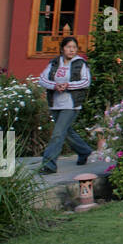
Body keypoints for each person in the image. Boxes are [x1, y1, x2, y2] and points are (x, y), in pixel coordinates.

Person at [38, 36, 94, 174]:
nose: (71, 50)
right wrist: (55, 86)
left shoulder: (80, 63)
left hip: (71, 104)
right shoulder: (54, 63)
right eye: (69, 47)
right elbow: (42, 79)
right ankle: (84, 151)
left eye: (74, 47)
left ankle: (49, 164)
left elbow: (85, 82)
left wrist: (68, 85)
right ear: (63, 48)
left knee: (57, 133)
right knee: (66, 132)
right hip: (55, 103)